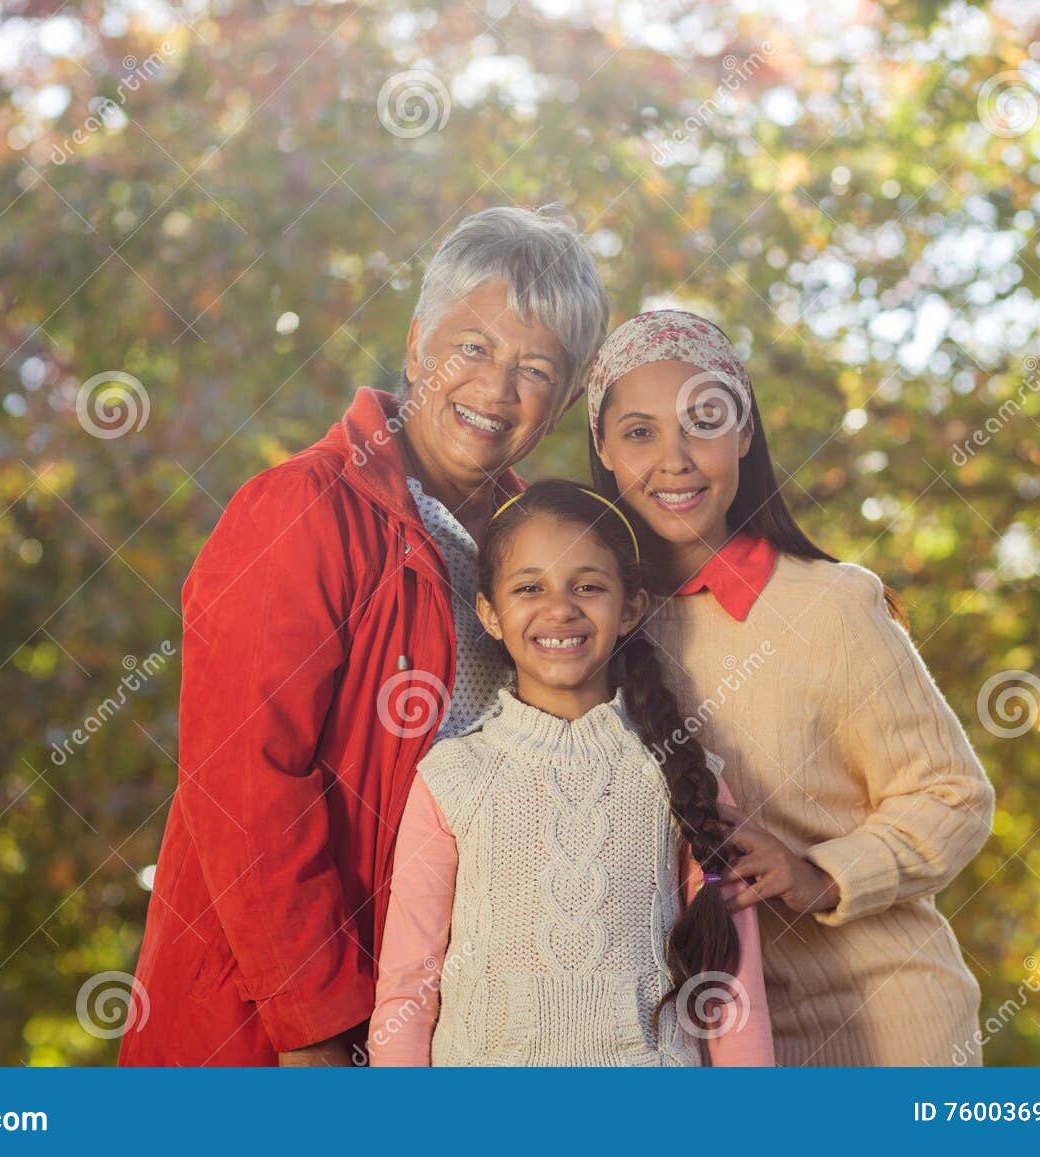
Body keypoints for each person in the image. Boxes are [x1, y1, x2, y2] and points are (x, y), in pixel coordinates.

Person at [118, 206, 609, 1066]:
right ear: (418, 343)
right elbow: (244, 789)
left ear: (566, 398)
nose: (496, 389)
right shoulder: (302, 510)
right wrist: (322, 1033)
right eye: (473, 348)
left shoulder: (542, 557)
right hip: (279, 1036)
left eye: (535, 368)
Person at [585, 310, 996, 1066]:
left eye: (702, 422)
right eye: (640, 432)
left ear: (745, 434)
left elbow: (951, 795)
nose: (673, 460)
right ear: (604, 449)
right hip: (708, 1043)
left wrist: (821, 873)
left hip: (884, 1028)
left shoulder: (833, 605)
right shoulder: (592, 629)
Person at [367, 480, 773, 1066]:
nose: (560, 608)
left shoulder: (686, 777)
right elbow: (407, 989)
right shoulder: (451, 778)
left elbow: (735, 997)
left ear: (631, 606)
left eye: (588, 586)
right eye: (529, 587)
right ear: (489, 612)